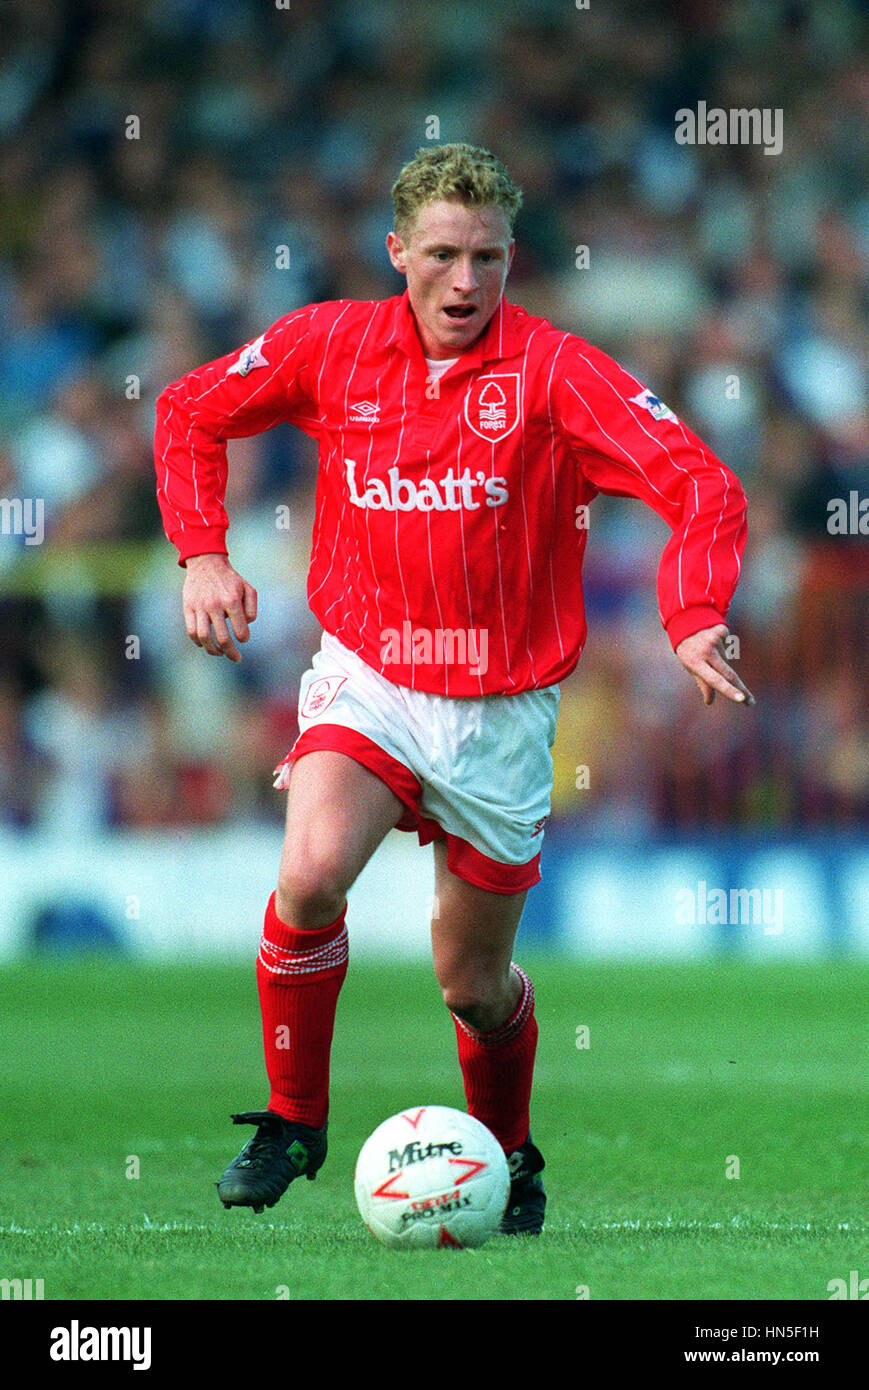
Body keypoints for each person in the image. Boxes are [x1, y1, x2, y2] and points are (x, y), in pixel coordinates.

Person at [153, 143, 753, 1236]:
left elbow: (701, 484)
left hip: (500, 715)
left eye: (487, 257)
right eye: (441, 255)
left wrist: (691, 610)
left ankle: (510, 1155)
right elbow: (189, 409)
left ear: (512, 255)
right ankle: (293, 1121)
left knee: (470, 984)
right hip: (368, 677)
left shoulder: (556, 371)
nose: (466, 282)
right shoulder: (331, 343)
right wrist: (201, 551)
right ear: (398, 252)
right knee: (310, 873)